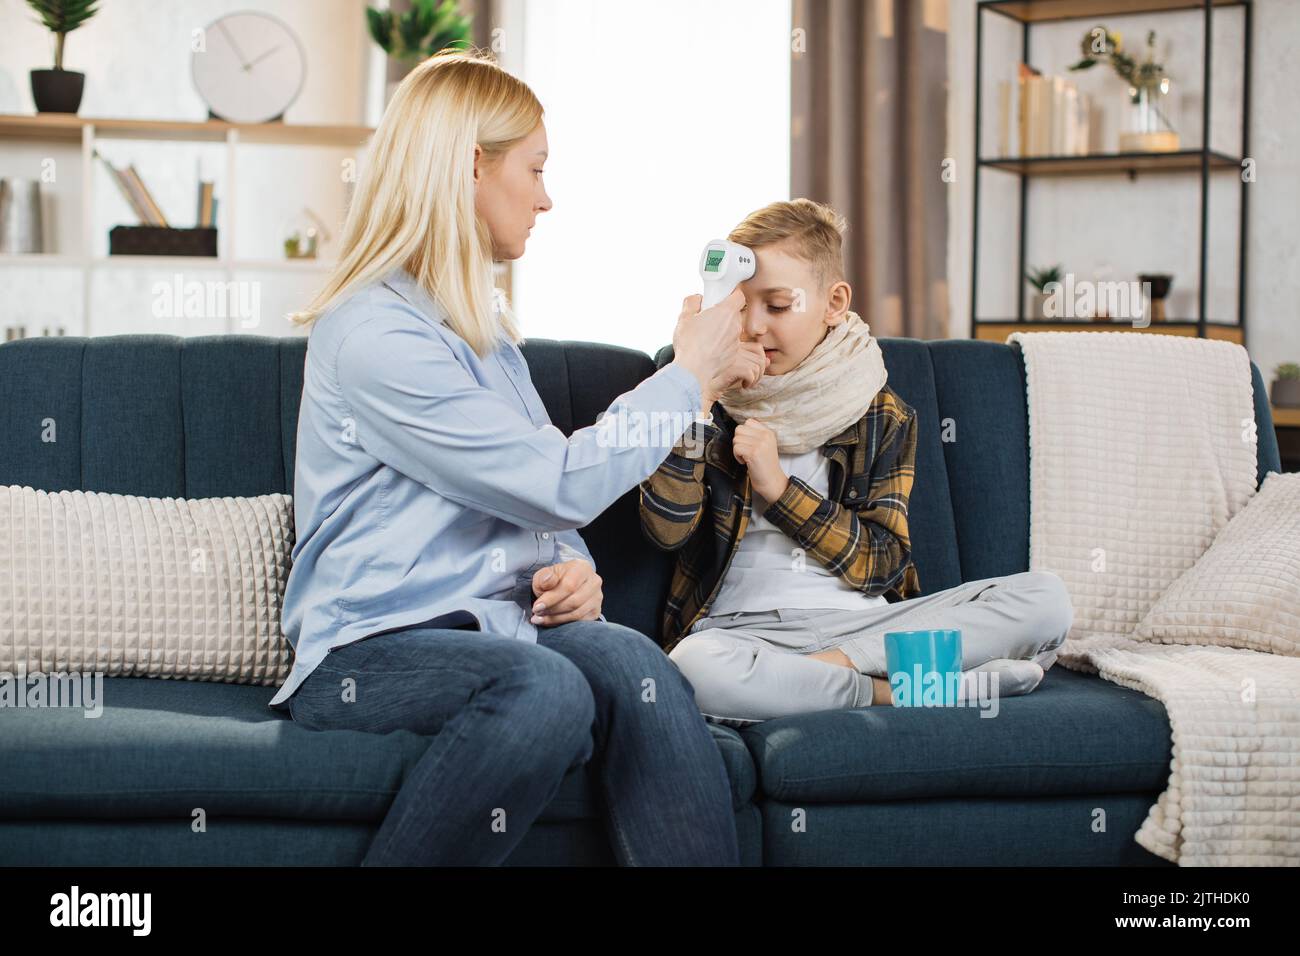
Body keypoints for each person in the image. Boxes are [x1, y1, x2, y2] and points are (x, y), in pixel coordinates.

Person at [273, 49, 760, 865]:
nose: (545, 197)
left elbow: (537, 500)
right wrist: (690, 378)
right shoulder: (375, 336)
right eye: (534, 169)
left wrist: (575, 571)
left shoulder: (484, 333)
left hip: (498, 626)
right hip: (372, 650)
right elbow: (554, 482)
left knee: (634, 663)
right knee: (542, 686)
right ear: (472, 166)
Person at [640, 199, 1074, 727]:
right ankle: (899, 689)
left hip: (870, 631)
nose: (753, 326)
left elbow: (883, 563)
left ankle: (823, 674)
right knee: (692, 666)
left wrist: (780, 491)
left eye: (777, 306)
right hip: (743, 634)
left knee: (1046, 599)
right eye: (740, 306)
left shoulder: (879, 411)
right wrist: (698, 390)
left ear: (834, 302)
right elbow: (666, 529)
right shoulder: (698, 395)